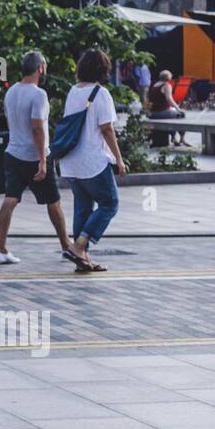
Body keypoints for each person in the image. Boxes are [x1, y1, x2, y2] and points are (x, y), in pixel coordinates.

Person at [0, 50, 79, 266]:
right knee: (54, 201)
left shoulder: (11, 91)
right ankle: (66, 246)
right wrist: (42, 161)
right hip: (34, 156)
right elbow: (37, 130)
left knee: (11, 198)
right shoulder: (38, 94)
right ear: (40, 68)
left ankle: (1, 248)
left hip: (13, 153)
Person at [59, 49, 126, 273]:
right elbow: (106, 128)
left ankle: (83, 259)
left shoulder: (72, 91)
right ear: (103, 69)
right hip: (93, 161)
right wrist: (119, 158)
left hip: (71, 162)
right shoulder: (102, 93)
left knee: (83, 207)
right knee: (110, 203)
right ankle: (78, 246)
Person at [148, 70, 188, 146]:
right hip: (161, 112)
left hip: (152, 113)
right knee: (181, 115)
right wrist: (178, 109)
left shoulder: (154, 85)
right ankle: (181, 138)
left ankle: (173, 137)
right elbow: (169, 99)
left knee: (173, 115)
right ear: (169, 78)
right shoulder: (166, 85)